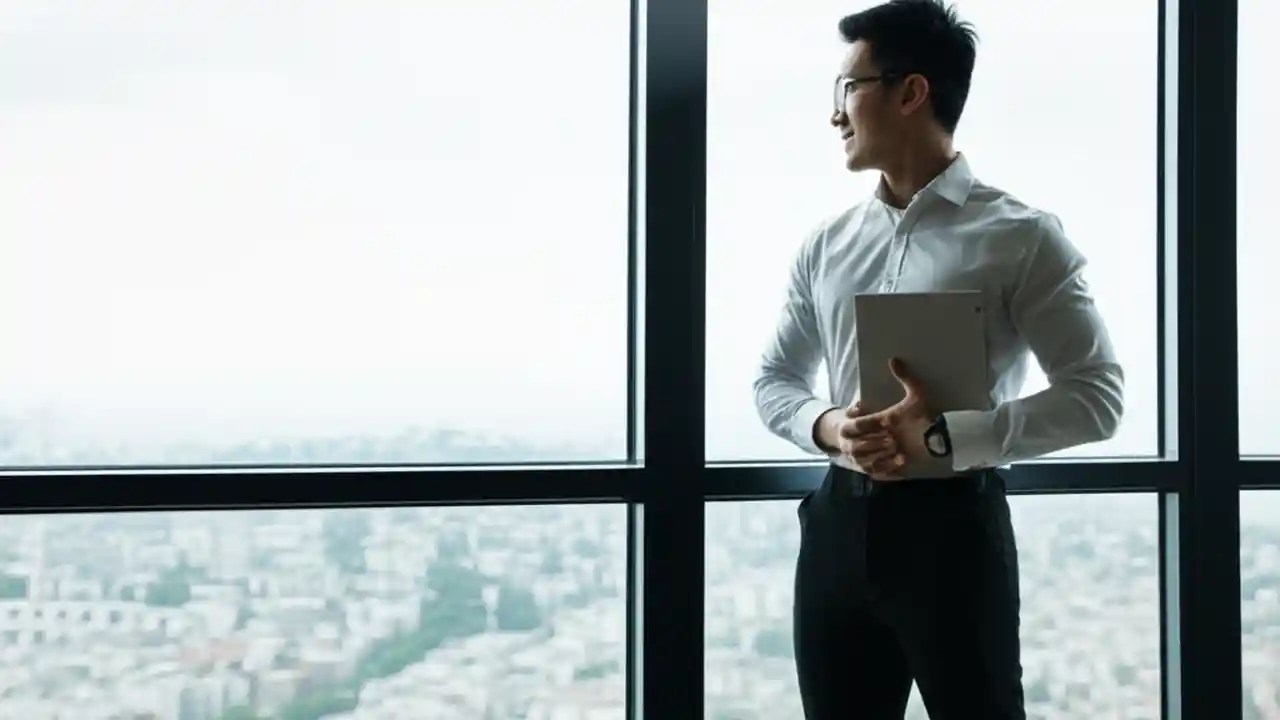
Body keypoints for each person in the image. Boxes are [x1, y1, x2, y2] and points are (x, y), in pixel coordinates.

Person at [751, 1, 1126, 718]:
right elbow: (774, 382)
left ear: (910, 91)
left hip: (954, 538)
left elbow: (1096, 396)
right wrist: (832, 428)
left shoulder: (1021, 237)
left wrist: (949, 437)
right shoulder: (825, 245)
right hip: (836, 531)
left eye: (848, 90)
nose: (835, 115)